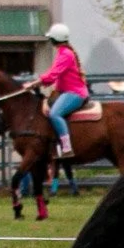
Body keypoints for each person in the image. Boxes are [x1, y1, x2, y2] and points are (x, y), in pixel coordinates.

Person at [24, 23, 86, 158]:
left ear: (54, 39)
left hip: (74, 93)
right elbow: (53, 76)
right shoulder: (63, 52)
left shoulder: (66, 54)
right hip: (66, 92)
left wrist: (34, 83)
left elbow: (53, 74)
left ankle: (66, 147)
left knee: (54, 114)